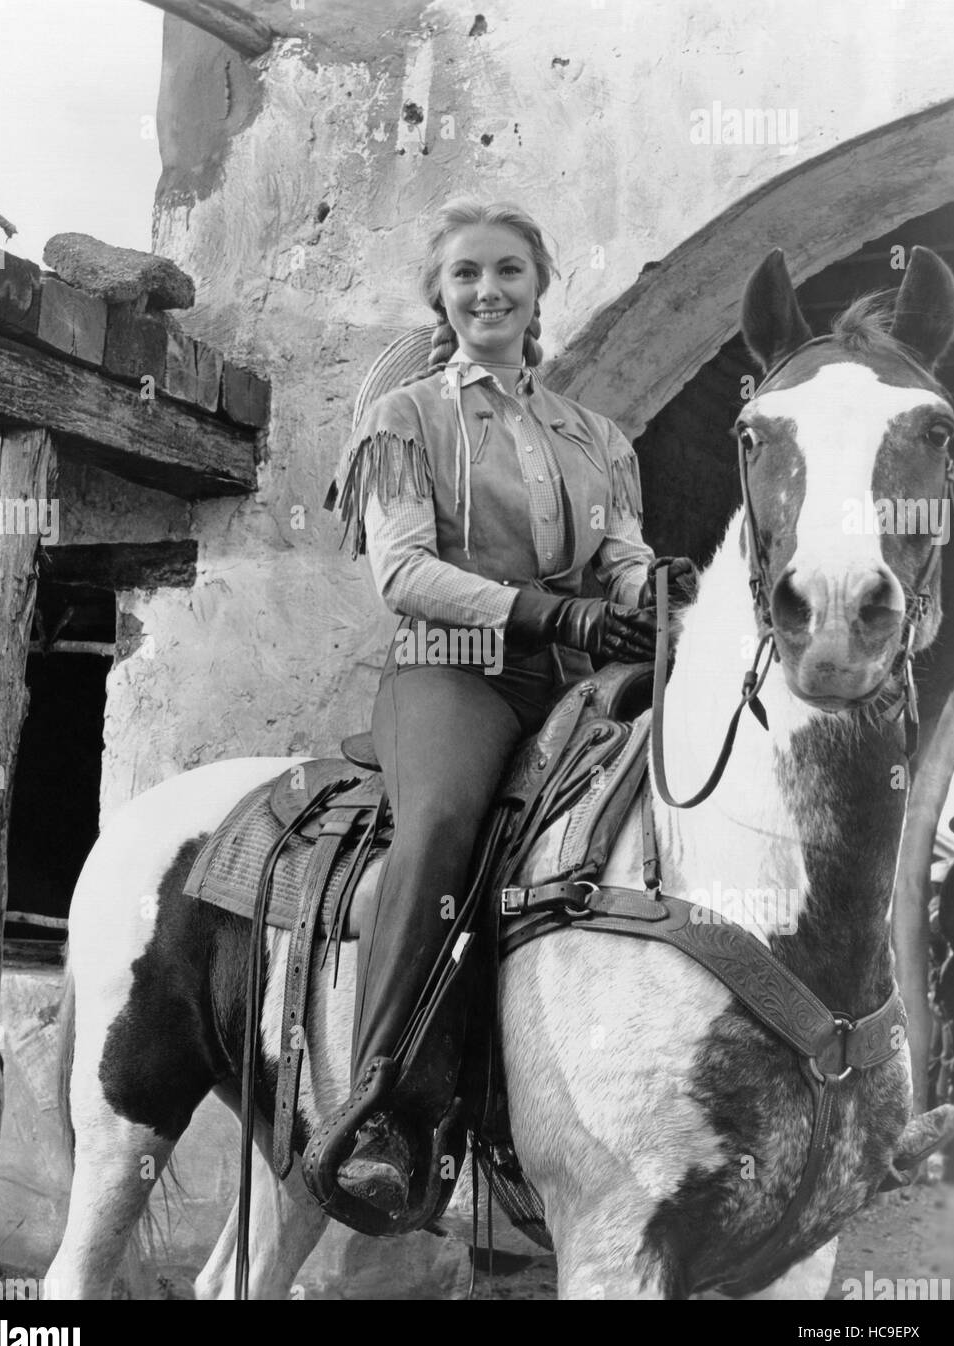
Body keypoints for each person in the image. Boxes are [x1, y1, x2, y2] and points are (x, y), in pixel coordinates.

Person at [324, 196, 695, 1219]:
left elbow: (618, 560)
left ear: (538, 291)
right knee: (444, 819)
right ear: (439, 298)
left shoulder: (596, 436)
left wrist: (653, 590)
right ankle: (380, 1103)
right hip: (450, 669)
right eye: (464, 276)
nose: (487, 291)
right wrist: (547, 613)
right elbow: (400, 572)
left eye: (507, 273)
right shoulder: (403, 420)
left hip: (566, 679)